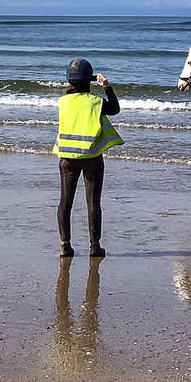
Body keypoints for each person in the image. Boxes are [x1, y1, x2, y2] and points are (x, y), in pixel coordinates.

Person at [53, 58, 121, 259]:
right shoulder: (97, 103)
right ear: (89, 80)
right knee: (93, 203)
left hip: (67, 158)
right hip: (92, 157)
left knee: (65, 203)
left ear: (69, 80)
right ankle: (94, 246)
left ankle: (65, 246)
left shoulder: (62, 102)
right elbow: (115, 109)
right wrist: (106, 87)